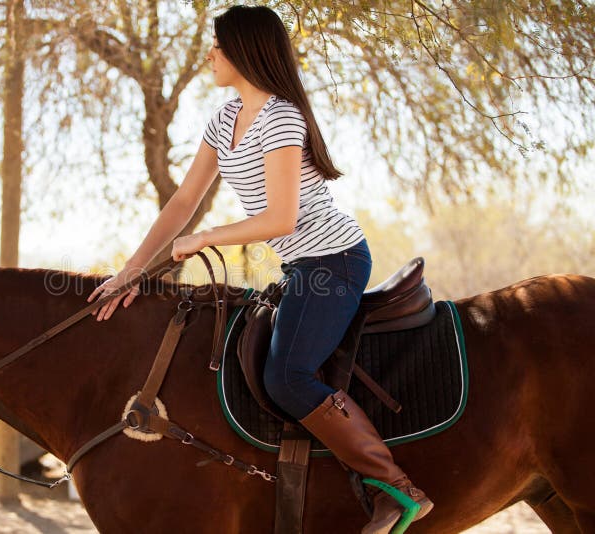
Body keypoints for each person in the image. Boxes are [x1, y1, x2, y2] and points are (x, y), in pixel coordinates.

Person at [87, 5, 433, 532]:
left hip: (334, 261)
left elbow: (281, 216)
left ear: (243, 52)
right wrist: (134, 270)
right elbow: (182, 202)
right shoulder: (224, 119)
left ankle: (398, 489)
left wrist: (205, 238)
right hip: (300, 266)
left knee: (287, 375)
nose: (210, 55)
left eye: (218, 47)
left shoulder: (282, 117)